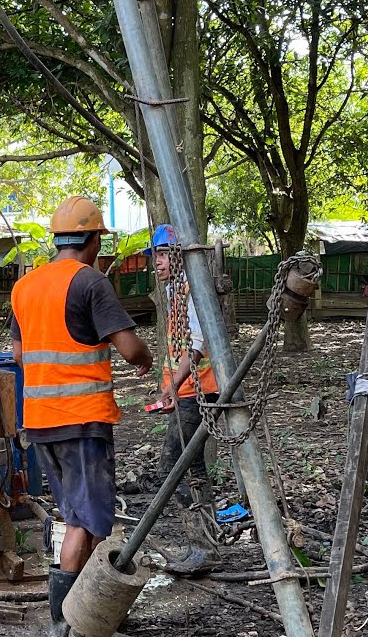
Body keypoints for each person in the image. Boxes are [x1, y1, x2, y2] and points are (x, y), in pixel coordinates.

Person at [10, 196, 154, 636]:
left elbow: (18, 355)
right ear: (91, 240)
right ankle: (66, 623)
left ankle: (82, 613)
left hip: (40, 421)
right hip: (82, 420)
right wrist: (145, 360)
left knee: (77, 513)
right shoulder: (90, 282)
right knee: (86, 521)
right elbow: (131, 349)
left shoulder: (25, 286)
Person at [147, 223, 222, 574]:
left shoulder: (193, 291)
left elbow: (196, 346)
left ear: (177, 256)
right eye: (156, 256)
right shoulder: (174, 291)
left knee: (172, 467)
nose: (157, 263)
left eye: (162, 255)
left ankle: (201, 546)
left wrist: (173, 385)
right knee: (193, 466)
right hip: (189, 391)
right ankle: (208, 540)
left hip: (199, 391)